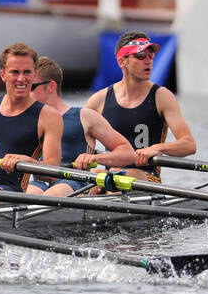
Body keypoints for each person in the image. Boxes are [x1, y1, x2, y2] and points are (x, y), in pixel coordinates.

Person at [0, 43, 74, 196]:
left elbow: (52, 173)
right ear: (3, 75)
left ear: (34, 75)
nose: (21, 79)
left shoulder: (49, 116)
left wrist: (28, 161)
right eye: (15, 72)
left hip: (12, 192)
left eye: (27, 72)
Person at [82, 31, 196, 181]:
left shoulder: (162, 97)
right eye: (141, 55)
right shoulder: (98, 101)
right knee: (94, 175)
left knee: (122, 175)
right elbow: (81, 147)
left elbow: (189, 144)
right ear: (122, 62)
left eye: (151, 55)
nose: (148, 60)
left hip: (147, 178)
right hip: (110, 178)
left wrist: (157, 148)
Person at [31, 56, 136, 169]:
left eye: (31, 87)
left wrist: (95, 158)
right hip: (39, 182)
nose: (25, 93)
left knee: (57, 188)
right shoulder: (25, 119)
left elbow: (128, 153)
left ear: (51, 87)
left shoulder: (85, 117)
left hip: (74, 183)